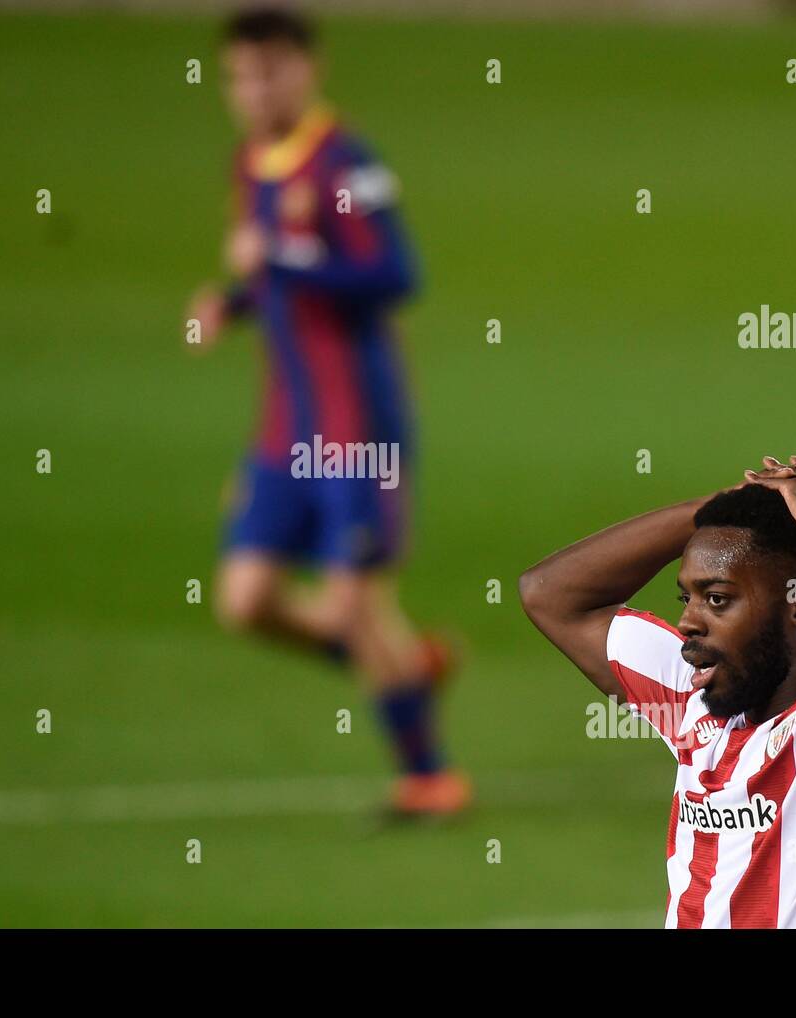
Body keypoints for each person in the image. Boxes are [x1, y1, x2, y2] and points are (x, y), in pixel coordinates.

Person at [185, 8, 469, 817]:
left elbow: (395, 274)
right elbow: (281, 280)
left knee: (354, 602)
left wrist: (277, 259)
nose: (255, 90)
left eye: (270, 71)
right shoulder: (250, 163)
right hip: (285, 427)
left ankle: (430, 775)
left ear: (309, 69)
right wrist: (233, 301)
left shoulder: (346, 162)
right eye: (240, 75)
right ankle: (403, 669)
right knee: (245, 601)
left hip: (358, 424)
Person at [520, 456, 796, 927]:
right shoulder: (693, 698)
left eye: (717, 599)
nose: (688, 621)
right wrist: (727, 506)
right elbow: (549, 594)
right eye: (687, 597)